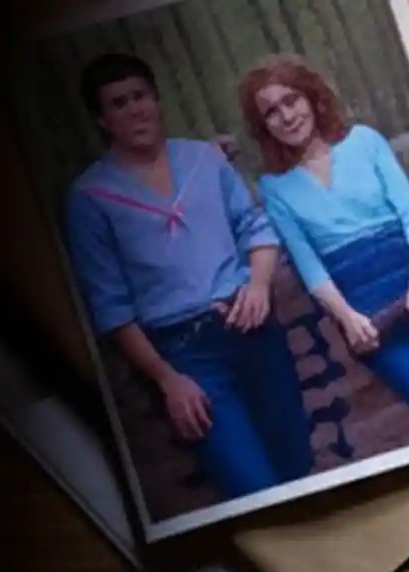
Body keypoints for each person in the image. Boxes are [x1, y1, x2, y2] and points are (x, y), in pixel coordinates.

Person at [63, 53, 313, 500]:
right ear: (102, 120)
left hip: (255, 333)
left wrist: (259, 285)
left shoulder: (203, 159)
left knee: (299, 468)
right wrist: (166, 379)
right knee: (251, 489)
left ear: (156, 99)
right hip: (189, 358)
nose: (135, 109)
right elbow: (111, 309)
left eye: (140, 96)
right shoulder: (90, 198)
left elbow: (255, 226)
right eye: (119, 103)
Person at [238, 55, 409, 436]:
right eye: (272, 112)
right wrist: (347, 318)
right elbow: (309, 266)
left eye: (291, 100)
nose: (287, 116)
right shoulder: (274, 187)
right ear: (264, 127)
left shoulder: (365, 142)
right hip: (369, 319)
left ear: (311, 97)